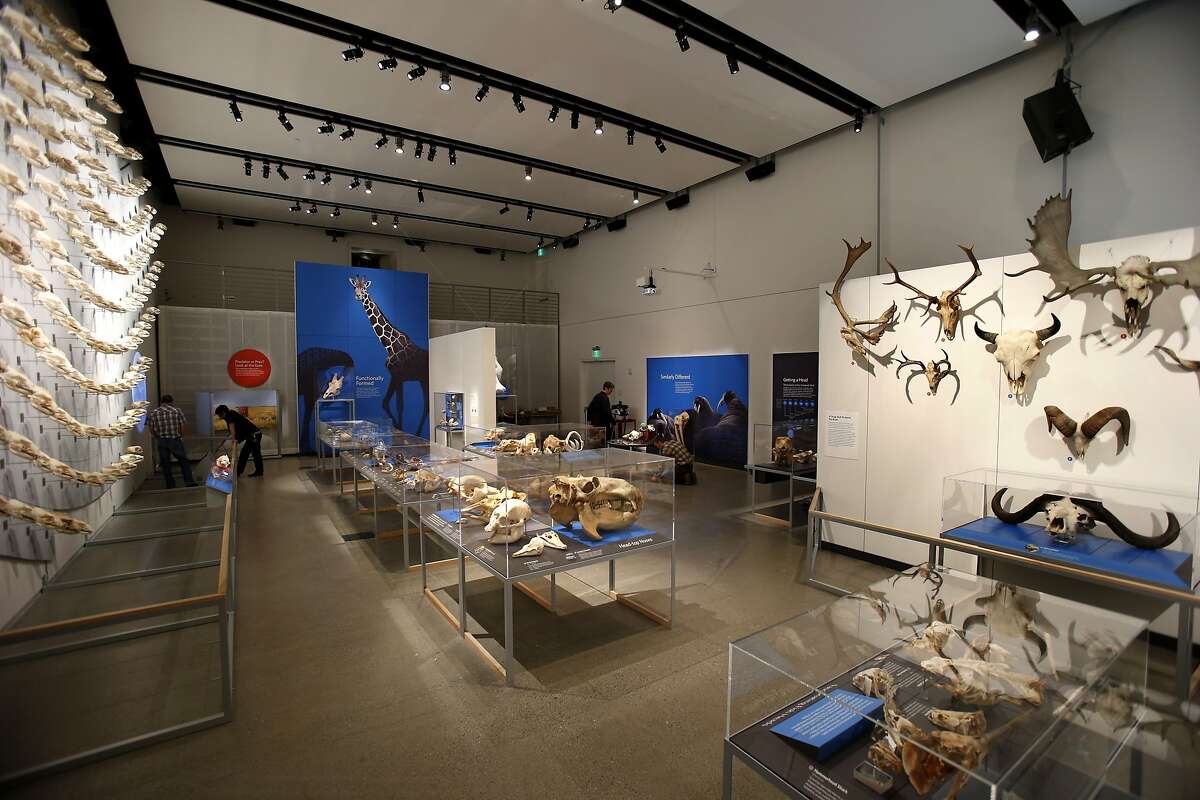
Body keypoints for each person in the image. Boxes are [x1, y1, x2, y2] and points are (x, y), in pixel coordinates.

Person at [146, 394, 197, 489]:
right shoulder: (176, 411)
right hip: (175, 439)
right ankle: (189, 481)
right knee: (183, 461)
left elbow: (150, 427)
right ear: (171, 402)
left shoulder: (154, 412)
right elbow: (182, 425)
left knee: (166, 464)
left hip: (162, 441)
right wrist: (181, 435)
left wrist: (157, 436)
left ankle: (170, 485)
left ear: (161, 402)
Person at [215, 404, 263, 478]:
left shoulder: (229, 415)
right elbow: (231, 429)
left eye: (219, 415)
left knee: (255, 453)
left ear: (223, 412)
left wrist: (234, 439)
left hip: (254, 435)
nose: (219, 417)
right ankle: (239, 472)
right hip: (252, 435)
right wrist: (226, 440)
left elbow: (232, 427)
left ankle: (257, 471)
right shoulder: (230, 414)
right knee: (245, 454)